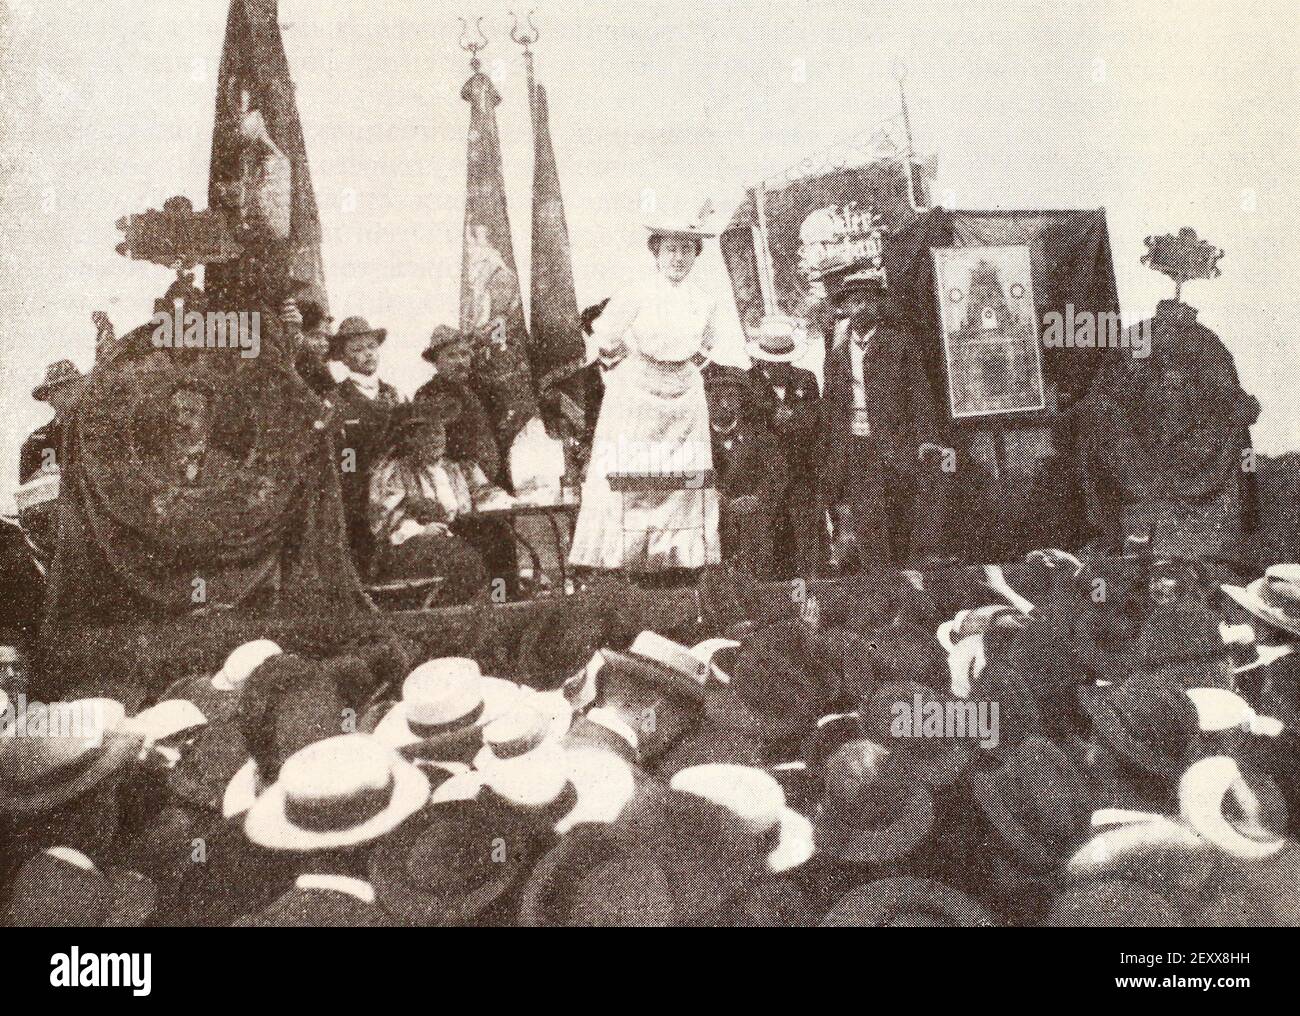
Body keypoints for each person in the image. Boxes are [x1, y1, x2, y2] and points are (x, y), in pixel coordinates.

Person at [568, 202, 722, 576]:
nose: (679, 258)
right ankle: (627, 564)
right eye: (671, 249)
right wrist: (634, 369)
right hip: (637, 397)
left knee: (685, 483)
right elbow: (605, 336)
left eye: (688, 250)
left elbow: (707, 345)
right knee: (634, 479)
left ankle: (680, 563)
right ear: (656, 251)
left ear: (697, 255)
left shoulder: (703, 299)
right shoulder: (636, 291)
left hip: (684, 399)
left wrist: (680, 369)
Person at [821, 271, 948, 569]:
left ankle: (914, 573)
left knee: (904, 508)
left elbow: (919, 394)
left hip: (896, 441)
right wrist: (834, 448)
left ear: (878, 305)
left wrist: (925, 439)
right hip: (857, 444)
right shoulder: (837, 354)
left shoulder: (899, 343)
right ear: (846, 308)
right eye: (855, 302)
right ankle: (880, 582)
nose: (862, 308)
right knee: (868, 518)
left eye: (868, 301)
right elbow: (832, 405)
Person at [369, 400, 514, 604]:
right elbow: (386, 516)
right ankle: (465, 611)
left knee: (500, 537)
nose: (436, 439)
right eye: (427, 433)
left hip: (458, 533)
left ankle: (503, 602)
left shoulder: (457, 469)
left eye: (439, 432)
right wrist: (420, 530)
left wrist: (508, 500)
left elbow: (485, 493)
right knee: (462, 559)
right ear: (411, 438)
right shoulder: (396, 472)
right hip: (413, 544)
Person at [745, 316, 825, 578]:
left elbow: (815, 423)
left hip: (803, 477)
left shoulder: (806, 379)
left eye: (786, 361)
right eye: (774, 362)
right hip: (766, 481)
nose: (781, 367)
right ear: (761, 358)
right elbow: (750, 433)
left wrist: (791, 421)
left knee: (809, 546)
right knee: (773, 546)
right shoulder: (747, 385)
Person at [329, 316, 401, 577]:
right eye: (357, 350)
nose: (367, 354)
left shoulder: (393, 394)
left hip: (395, 485)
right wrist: (354, 478)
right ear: (344, 358)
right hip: (357, 488)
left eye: (371, 347)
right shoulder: (337, 398)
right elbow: (340, 450)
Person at [414, 326, 501, 483]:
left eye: (464, 354)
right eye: (451, 355)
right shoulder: (428, 395)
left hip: (488, 478)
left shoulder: (478, 388)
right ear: (436, 362)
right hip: (455, 481)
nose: (460, 361)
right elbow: (430, 449)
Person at [17, 360, 86, 556]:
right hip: (59, 529)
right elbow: (29, 498)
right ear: (48, 397)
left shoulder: (98, 433)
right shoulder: (37, 442)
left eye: (71, 385)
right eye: (58, 388)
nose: (67, 393)